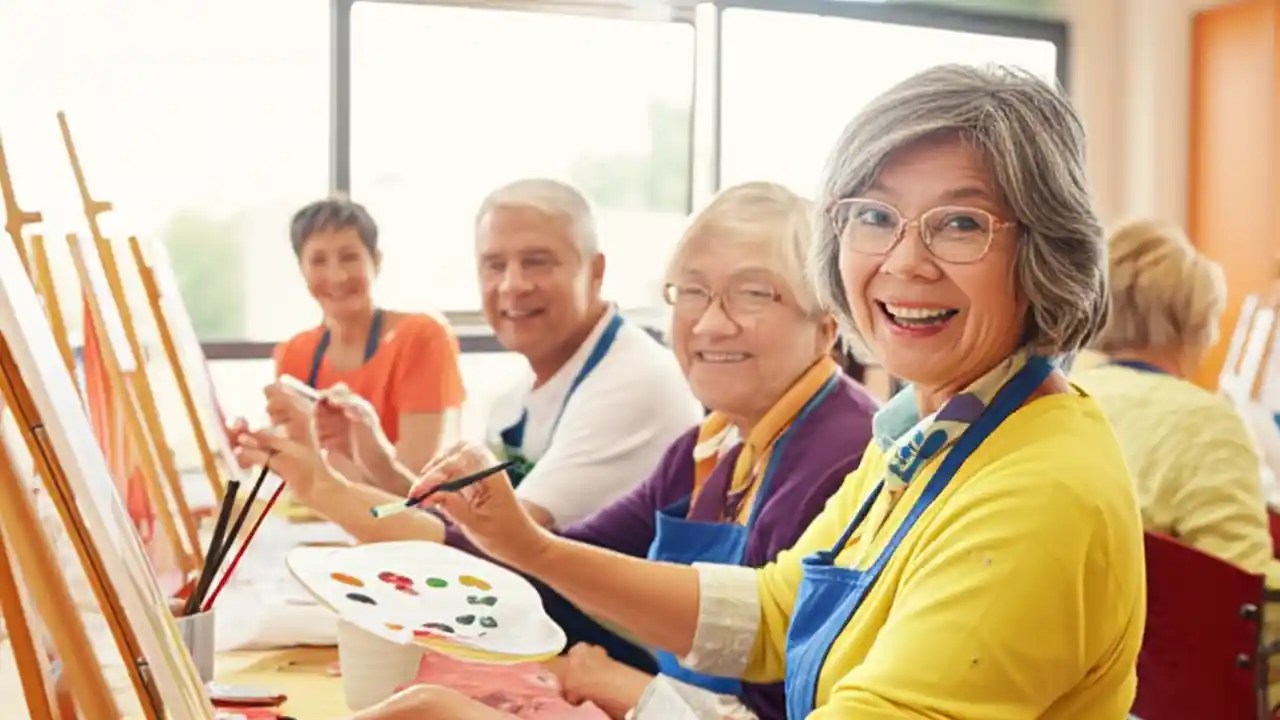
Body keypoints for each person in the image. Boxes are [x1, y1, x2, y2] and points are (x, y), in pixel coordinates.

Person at [361, 64, 1146, 719]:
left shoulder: (1038, 492)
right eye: (874, 215)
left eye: (961, 224)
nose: (905, 262)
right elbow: (774, 609)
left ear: (1047, 250)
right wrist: (529, 548)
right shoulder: (927, 429)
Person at [247, 181, 879, 719]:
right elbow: (515, 549)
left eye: (753, 293)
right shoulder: (710, 444)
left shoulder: (842, 454)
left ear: (829, 321)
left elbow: (779, 697)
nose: (711, 324)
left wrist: (630, 687)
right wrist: (324, 482)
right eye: (692, 293)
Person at [243, 179, 701, 536]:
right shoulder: (518, 396)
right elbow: (465, 526)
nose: (513, 286)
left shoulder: (629, 385)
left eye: (537, 261)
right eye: (495, 265)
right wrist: (379, 461)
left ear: (595, 272)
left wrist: (321, 486)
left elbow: (493, 550)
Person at [1073, 219, 1275, 578]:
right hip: (1172, 630)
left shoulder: (1057, 395)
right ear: (1197, 327)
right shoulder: (1204, 422)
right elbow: (1245, 589)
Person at [233, 197, 467, 485]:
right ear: (301, 270)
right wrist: (256, 447)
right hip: (329, 520)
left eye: (349, 257)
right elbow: (301, 472)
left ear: (376, 261)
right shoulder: (294, 352)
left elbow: (413, 482)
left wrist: (330, 463)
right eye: (318, 261)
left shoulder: (421, 337)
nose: (337, 275)